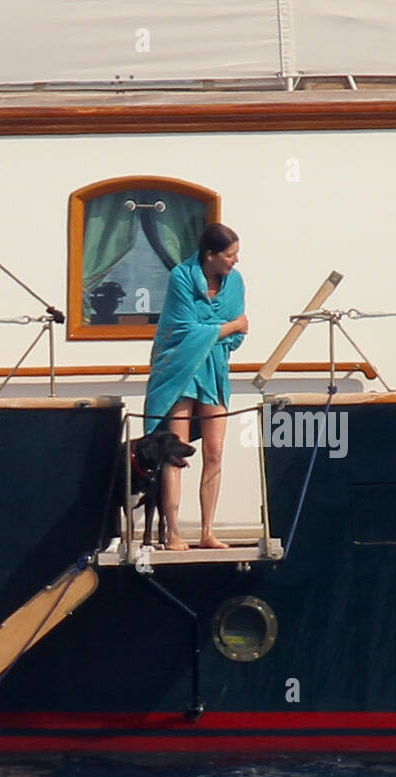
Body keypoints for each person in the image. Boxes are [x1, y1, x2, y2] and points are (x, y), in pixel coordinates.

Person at [143, 223, 248, 550]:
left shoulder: (236, 283)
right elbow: (183, 330)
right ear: (210, 255)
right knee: (175, 451)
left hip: (214, 369)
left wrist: (223, 331)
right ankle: (174, 532)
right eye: (230, 255)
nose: (236, 260)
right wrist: (229, 326)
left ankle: (207, 531)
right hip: (182, 370)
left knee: (215, 451)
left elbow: (236, 335)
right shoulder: (181, 277)